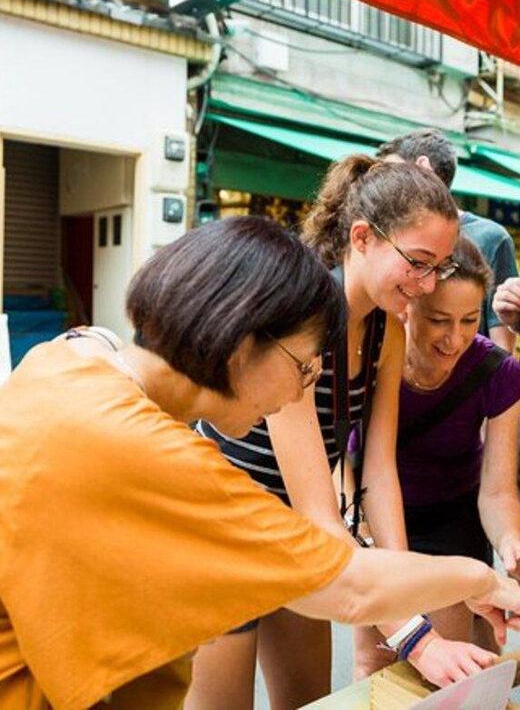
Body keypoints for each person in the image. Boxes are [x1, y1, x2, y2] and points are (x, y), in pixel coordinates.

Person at [2, 216, 518, 709]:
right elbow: (351, 589)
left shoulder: (72, 355)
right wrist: (482, 580)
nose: (302, 388)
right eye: (303, 364)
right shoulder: (160, 459)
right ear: (241, 340)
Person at [188, 158, 500, 710]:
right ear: (362, 237)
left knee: (309, 700)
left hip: (292, 541)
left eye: (440, 268)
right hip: (219, 535)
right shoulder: (297, 316)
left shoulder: (386, 328)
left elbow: (379, 476)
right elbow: (318, 510)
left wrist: (405, 592)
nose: (427, 285)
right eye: (418, 263)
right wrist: (414, 635)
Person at [358, 236, 520, 677]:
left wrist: (510, 540)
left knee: (442, 665)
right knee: (376, 660)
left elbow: (498, 491)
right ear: (407, 307)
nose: (455, 338)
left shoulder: (498, 372)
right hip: (375, 514)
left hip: (453, 518)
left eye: (470, 320)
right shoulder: (370, 358)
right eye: (439, 320)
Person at [377, 128, 518, 354]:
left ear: (423, 168)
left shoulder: (491, 237)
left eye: (391, 173)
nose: (382, 185)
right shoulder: (388, 235)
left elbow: (501, 349)